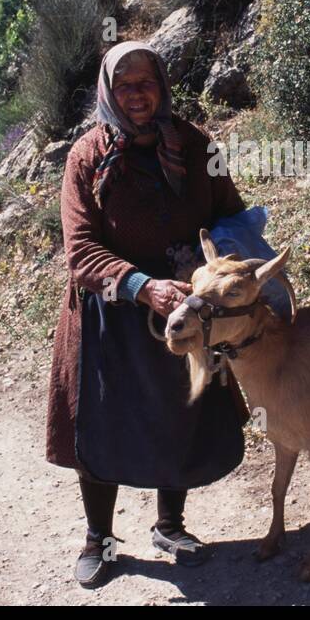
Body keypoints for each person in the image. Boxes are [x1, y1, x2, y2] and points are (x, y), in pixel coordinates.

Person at [45, 40, 249, 588]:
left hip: (185, 310)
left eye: (147, 81)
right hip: (110, 314)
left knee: (179, 412)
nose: (137, 94)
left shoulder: (193, 143)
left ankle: (170, 525)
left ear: (161, 84)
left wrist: (220, 268)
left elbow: (231, 214)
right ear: (108, 91)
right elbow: (80, 252)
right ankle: (100, 539)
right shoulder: (87, 156)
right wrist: (140, 285)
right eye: (125, 84)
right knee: (103, 424)